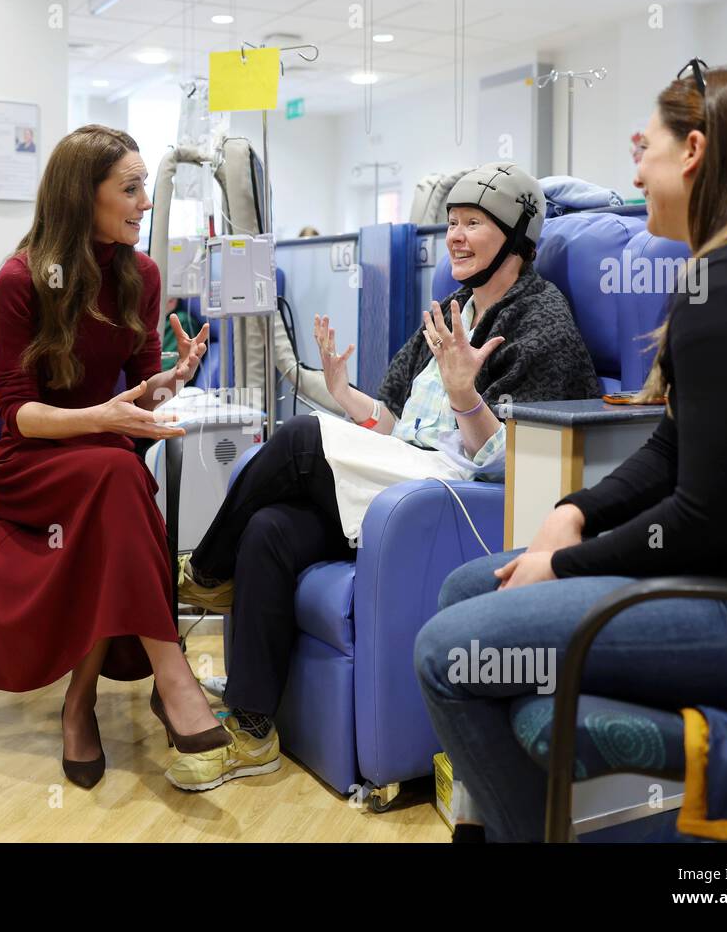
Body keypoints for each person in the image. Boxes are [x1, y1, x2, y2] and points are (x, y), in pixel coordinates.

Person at [413, 61, 727, 842]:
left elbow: (709, 516)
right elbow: (675, 447)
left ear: (694, 151)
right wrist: (571, 514)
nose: (634, 161)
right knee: (463, 589)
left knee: (450, 652)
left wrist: (568, 565)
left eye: (643, 143)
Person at [173, 162, 601, 791]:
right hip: (398, 476)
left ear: (516, 238)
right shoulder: (451, 308)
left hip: (450, 498)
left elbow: (518, 464)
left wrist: (465, 398)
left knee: (294, 441)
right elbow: (393, 419)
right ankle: (253, 727)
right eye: (451, 222)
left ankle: (203, 573)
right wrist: (346, 394)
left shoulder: (542, 322)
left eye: (473, 224)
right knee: (268, 529)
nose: (454, 236)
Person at [0, 124, 234, 790]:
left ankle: (81, 704)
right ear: (83, 195)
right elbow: (17, 413)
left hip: (104, 461)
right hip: (32, 466)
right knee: (119, 474)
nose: (144, 204)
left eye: (142, 190)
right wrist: (102, 417)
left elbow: (137, 391)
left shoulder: (143, 275)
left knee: (116, 479)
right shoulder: (21, 279)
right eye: (130, 190)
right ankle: (172, 677)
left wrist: (170, 380)